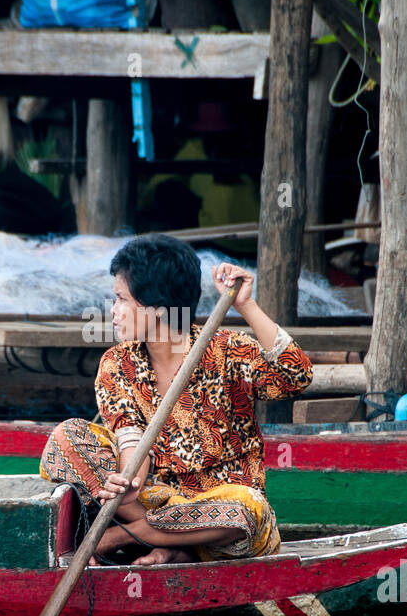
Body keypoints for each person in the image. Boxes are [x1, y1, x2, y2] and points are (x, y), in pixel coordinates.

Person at [39, 234, 313, 566]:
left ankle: (123, 537)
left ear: (155, 307)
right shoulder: (117, 363)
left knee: (247, 508)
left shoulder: (224, 349)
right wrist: (131, 481)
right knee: (67, 438)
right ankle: (170, 543)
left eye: (121, 300)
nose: (113, 311)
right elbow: (130, 436)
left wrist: (245, 305)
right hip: (154, 503)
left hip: (222, 520)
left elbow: (295, 375)